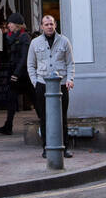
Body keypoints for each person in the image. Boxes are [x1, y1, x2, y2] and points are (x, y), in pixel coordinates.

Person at [27, 14, 75, 158]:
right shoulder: (35, 43)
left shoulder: (64, 41)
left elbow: (70, 63)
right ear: (42, 26)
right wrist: (35, 82)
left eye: (51, 24)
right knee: (44, 118)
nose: (49, 26)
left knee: (62, 118)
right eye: (46, 24)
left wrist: (70, 79)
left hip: (60, 83)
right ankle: (46, 147)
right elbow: (30, 64)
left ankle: (64, 148)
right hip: (42, 84)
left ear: (55, 25)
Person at [0, 13, 32, 135]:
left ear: (16, 24)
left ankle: (45, 120)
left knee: (35, 99)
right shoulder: (9, 37)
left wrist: (16, 73)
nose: (8, 25)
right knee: (10, 99)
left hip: (23, 74)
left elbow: (24, 57)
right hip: (13, 71)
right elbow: (3, 54)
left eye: (10, 23)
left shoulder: (24, 37)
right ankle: (8, 125)